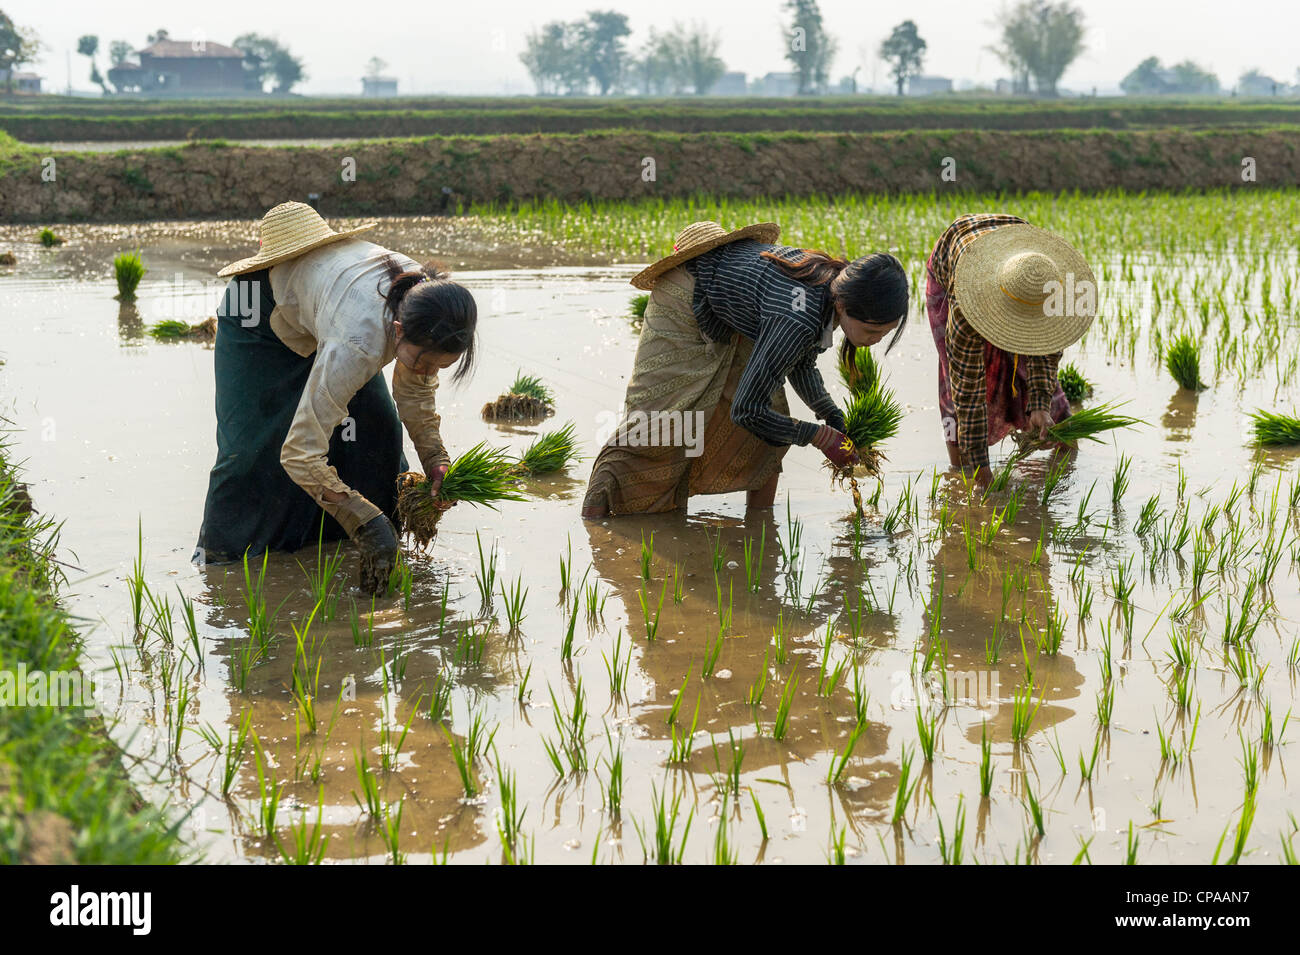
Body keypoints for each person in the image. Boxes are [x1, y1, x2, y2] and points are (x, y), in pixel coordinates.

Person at [194, 201, 477, 593]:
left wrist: (435, 459)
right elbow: (300, 453)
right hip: (260, 319)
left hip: (326, 313)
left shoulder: (428, 304)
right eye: (423, 361)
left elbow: (414, 390)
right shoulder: (359, 343)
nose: (428, 371)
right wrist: (365, 521)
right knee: (255, 446)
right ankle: (226, 561)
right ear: (397, 331)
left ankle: (335, 543)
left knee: (375, 431)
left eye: (440, 367)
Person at [581, 220, 909, 519]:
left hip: (729, 312)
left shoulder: (827, 290)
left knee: (772, 420)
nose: (875, 341)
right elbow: (746, 409)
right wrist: (819, 436)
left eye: (884, 334)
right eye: (871, 332)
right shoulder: (797, 316)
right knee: (664, 423)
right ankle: (595, 523)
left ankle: (760, 525)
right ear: (843, 304)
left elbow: (801, 362)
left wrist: (832, 416)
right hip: (685, 297)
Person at [925, 214, 1097, 487]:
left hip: (1017, 251)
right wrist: (982, 474)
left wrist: (1040, 403)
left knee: (1030, 375)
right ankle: (962, 467)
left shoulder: (1050, 287)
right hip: (953, 260)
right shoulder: (965, 310)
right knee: (956, 384)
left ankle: (1049, 426)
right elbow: (968, 394)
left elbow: (1047, 350)